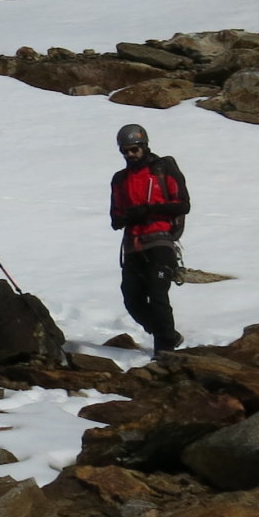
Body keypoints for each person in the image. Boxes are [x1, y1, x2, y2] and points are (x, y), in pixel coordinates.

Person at [110, 122, 188, 353]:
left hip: (160, 241)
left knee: (157, 294)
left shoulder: (163, 168)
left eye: (134, 149)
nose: (130, 155)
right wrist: (127, 216)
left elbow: (183, 204)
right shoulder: (119, 179)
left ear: (144, 146)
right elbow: (114, 217)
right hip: (133, 245)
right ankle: (169, 335)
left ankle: (164, 352)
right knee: (132, 300)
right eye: (125, 151)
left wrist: (147, 209)